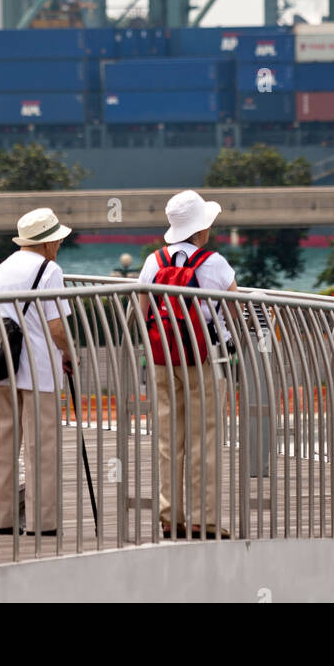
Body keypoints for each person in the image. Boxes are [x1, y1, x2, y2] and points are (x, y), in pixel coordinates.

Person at [137, 189, 240, 540]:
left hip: (163, 359)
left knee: (169, 440)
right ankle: (204, 520)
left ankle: (170, 517)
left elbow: (140, 309)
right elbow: (236, 313)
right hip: (202, 359)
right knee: (204, 439)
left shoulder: (154, 261)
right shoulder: (214, 264)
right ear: (201, 229)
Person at [0, 208, 73, 536]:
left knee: (6, 444)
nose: (59, 246)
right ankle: (43, 523)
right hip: (39, 370)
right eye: (58, 240)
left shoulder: (4, 266)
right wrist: (69, 352)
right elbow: (56, 327)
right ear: (48, 242)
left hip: (3, 363)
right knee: (42, 448)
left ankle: (4, 518)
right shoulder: (49, 270)